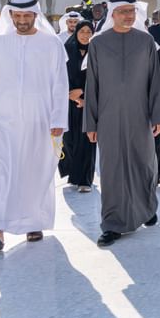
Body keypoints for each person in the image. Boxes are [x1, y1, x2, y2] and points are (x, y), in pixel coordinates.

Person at [0, 0, 68, 252]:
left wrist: (59, 118)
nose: (22, 20)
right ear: (10, 16)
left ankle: (33, 221)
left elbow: (60, 84)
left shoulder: (51, 44)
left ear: (35, 15)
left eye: (27, 16)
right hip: (4, 122)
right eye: (17, 16)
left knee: (34, 172)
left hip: (41, 121)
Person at [83, 0, 160, 247]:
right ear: (112, 15)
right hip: (108, 117)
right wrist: (91, 123)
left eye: (132, 11)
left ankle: (147, 208)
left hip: (140, 115)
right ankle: (112, 223)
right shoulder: (98, 43)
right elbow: (92, 85)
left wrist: (156, 115)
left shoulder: (146, 41)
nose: (128, 16)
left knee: (144, 163)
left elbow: (155, 81)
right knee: (111, 170)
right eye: (122, 12)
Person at [59, 20, 97, 192]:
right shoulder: (66, 50)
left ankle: (85, 180)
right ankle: (73, 174)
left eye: (89, 32)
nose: (85, 35)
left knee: (87, 140)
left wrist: (83, 95)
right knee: (69, 139)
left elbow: (101, 78)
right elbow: (58, 75)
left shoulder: (97, 52)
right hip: (67, 101)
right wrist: (70, 94)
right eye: (82, 31)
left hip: (88, 103)